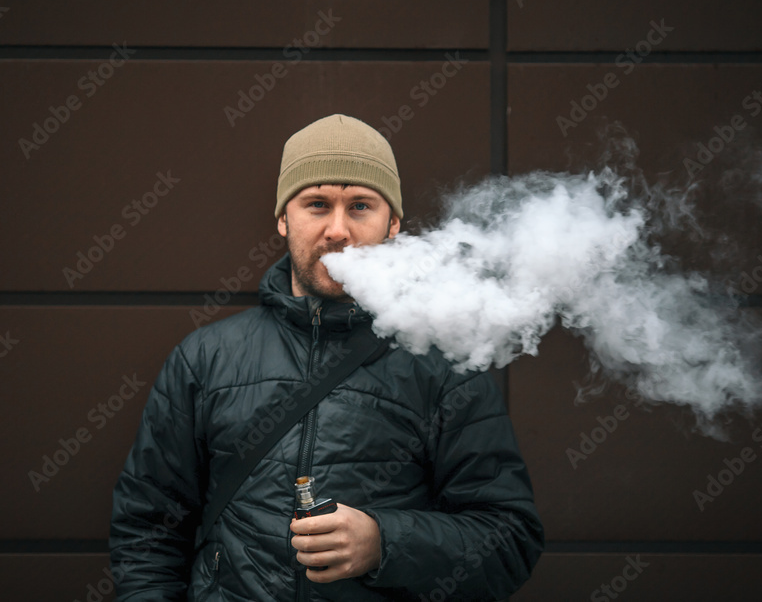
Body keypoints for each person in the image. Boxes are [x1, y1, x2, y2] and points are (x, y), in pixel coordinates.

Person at [109, 113, 544, 601]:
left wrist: (384, 543)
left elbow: (510, 541)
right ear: (283, 218)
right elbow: (147, 532)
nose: (338, 230)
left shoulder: (445, 367)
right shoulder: (205, 359)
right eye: (317, 204)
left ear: (393, 224)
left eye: (360, 206)